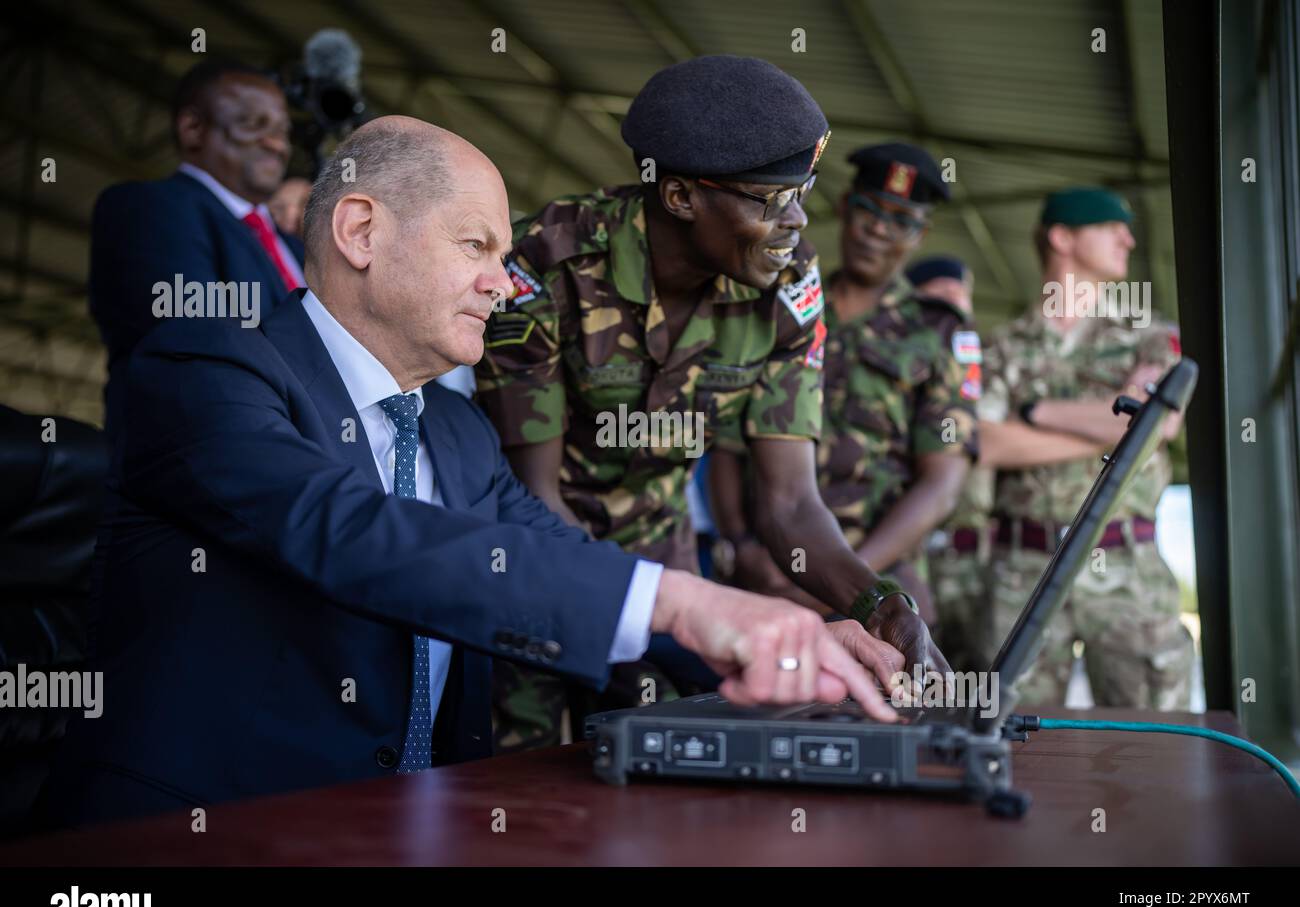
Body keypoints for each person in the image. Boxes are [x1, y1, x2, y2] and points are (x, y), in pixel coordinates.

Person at [37, 117, 904, 830]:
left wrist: (781, 639)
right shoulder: (204, 371)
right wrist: (689, 600)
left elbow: (558, 554)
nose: (503, 283)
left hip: (409, 831)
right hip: (193, 839)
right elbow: (349, 531)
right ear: (362, 232)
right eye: (477, 247)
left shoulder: (455, 433)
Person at [476, 58, 942, 752]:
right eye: (768, 200)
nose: (796, 221)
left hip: (668, 566)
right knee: (518, 781)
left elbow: (787, 506)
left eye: (804, 192)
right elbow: (534, 496)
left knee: (672, 773)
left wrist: (881, 605)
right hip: (532, 567)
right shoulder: (546, 265)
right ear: (680, 196)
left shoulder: (787, 283)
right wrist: (648, 615)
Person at [710, 144, 979, 637]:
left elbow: (941, 482)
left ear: (920, 234)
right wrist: (742, 546)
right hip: (761, 581)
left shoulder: (940, 333)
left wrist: (845, 580)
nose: (878, 229)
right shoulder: (781, 300)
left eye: (899, 220)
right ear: (843, 207)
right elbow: (727, 436)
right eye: (869, 211)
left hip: (883, 592)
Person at [976, 186, 1193, 708]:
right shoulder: (1005, 344)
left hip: (1126, 569)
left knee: (1152, 748)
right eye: (1109, 225)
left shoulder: (1148, 334)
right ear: (1062, 237)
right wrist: (1111, 421)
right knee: (1011, 741)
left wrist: (1034, 413)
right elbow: (983, 442)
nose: (1128, 237)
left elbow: (1156, 425)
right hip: (1024, 567)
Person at [89, 59, 305, 442]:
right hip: (206, 460)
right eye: (253, 126)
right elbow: (198, 335)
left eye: (283, 131)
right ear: (193, 128)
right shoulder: (151, 207)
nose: (277, 144)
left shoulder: (296, 244)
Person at [906, 256, 994, 670]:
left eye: (962, 292)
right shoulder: (903, 367)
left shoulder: (989, 362)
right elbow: (990, 441)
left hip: (982, 563)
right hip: (912, 553)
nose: (955, 303)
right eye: (940, 295)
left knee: (985, 684)